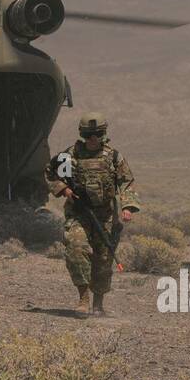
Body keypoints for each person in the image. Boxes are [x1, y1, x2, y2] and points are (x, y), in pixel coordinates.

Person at [44, 111, 140, 316]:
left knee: (103, 260)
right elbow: (50, 173)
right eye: (89, 135)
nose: (93, 139)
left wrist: (127, 206)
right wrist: (65, 190)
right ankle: (83, 298)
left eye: (96, 134)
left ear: (103, 134)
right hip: (79, 213)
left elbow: (127, 182)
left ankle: (98, 303)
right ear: (82, 134)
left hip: (105, 216)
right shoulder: (69, 156)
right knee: (76, 249)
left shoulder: (113, 157)